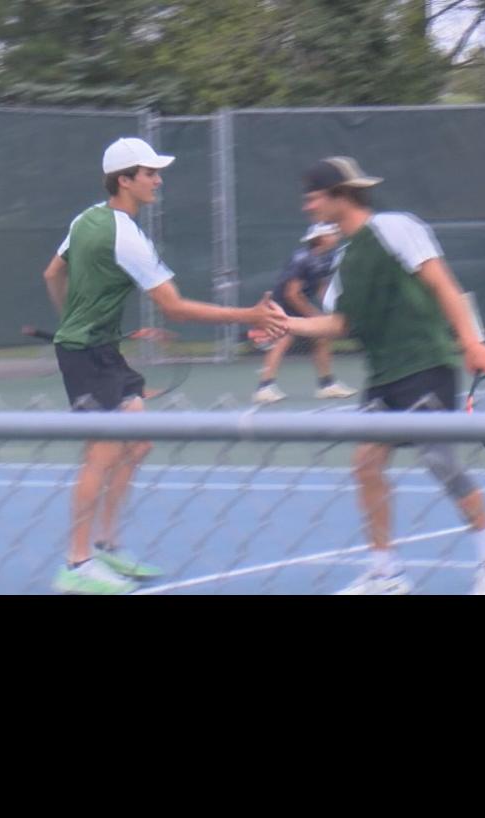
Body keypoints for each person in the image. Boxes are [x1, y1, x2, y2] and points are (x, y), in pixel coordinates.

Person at [42, 137, 288, 595]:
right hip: (88, 353)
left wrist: (69, 320)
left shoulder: (84, 220)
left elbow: (52, 273)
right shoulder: (126, 236)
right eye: (149, 172)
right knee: (103, 451)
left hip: (95, 349)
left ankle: (106, 544)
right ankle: (76, 566)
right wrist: (249, 316)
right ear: (125, 180)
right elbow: (174, 307)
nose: (159, 180)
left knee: (137, 442)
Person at [277, 157, 485, 595]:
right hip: (384, 375)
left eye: (312, 198)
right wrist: (287, 325)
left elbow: (443, 284)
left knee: (439, 462)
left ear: (340, 195)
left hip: (425, 362)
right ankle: (386, 573)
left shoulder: (394, 227)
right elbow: (340, 324)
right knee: (366, 464)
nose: (307, 208)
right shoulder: (345, 259)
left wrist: (472, 343)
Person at [251, 222, 356, 403]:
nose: (337, 236)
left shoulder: (326, 258)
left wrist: (329, 309)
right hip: (281, 308)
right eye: (332, 233)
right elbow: (291, 294)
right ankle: (264, 388)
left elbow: (321, 286)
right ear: (321, 238)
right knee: (282, 341)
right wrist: (313, 315)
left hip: (298, 307)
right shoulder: (301, 259)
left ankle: (327, 385)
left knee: (321, 338)